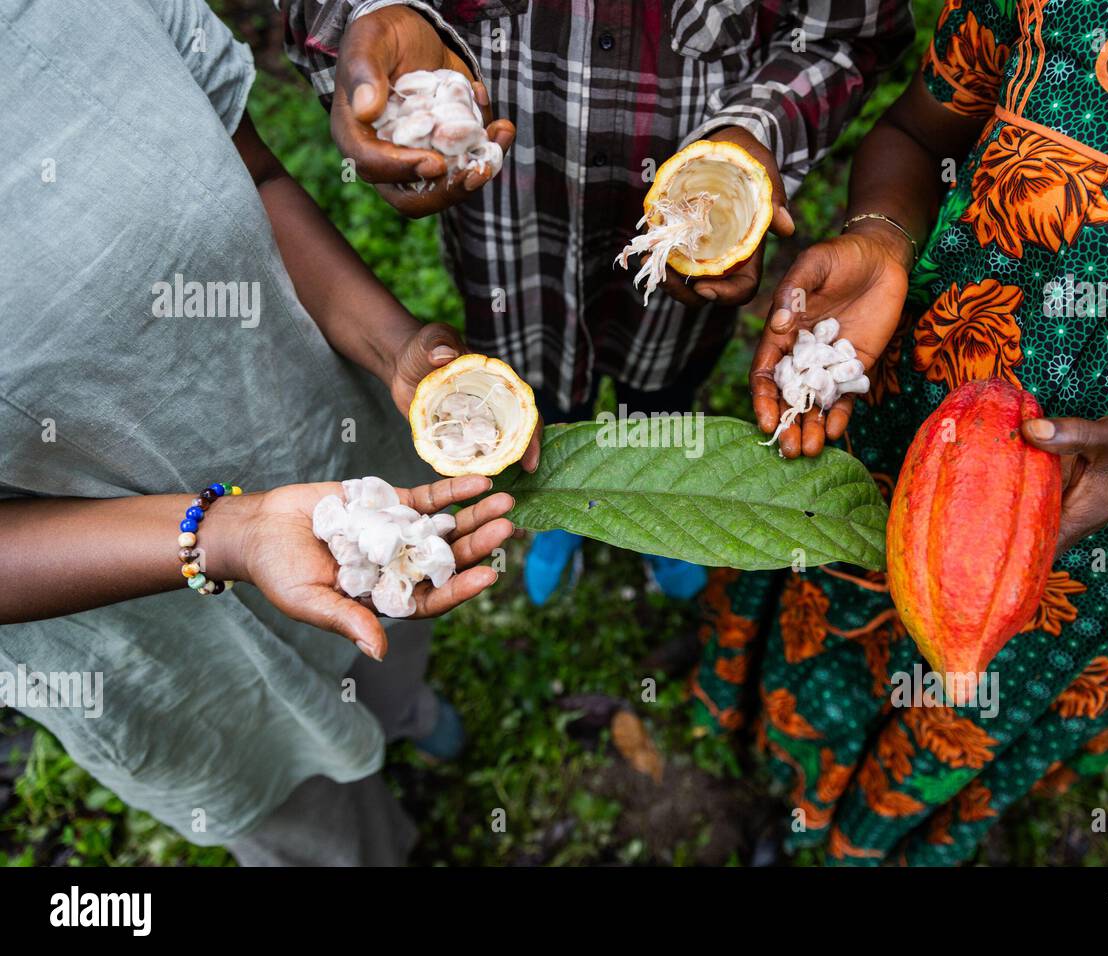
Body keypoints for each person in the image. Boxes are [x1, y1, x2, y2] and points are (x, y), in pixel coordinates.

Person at [694, 0, 1108, 864]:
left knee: (981, 695)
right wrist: (883, 234)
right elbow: (919, 130)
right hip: (926, 427)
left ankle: (864, 832)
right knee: (845, 595)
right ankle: (789, 776)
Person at [0, 0, 532, 865]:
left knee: (383, 622)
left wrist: (391, 344)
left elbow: (252, 175)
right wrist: (232, 533)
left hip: (305, 432)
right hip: (122, 604)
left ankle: (399, 714)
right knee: (289, 793)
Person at [278, 0, 916, 602]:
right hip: (515, 238)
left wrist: (755, 133)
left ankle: (661, 517)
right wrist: (375, 21)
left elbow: (849, 31)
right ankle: (560, 511)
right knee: (534, 403)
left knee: (661, 396)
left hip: (690, 240)